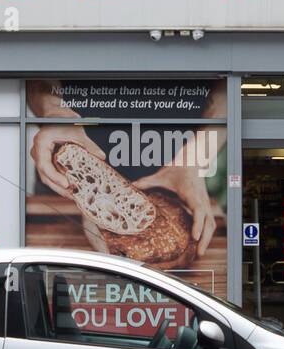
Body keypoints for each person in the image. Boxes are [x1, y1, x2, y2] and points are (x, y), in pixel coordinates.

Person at [26, 81, 226, 254]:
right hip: (69, 181)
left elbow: (228, 84)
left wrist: (194, 158)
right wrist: (55, 112)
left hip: (176, 181)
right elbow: (34, 62)